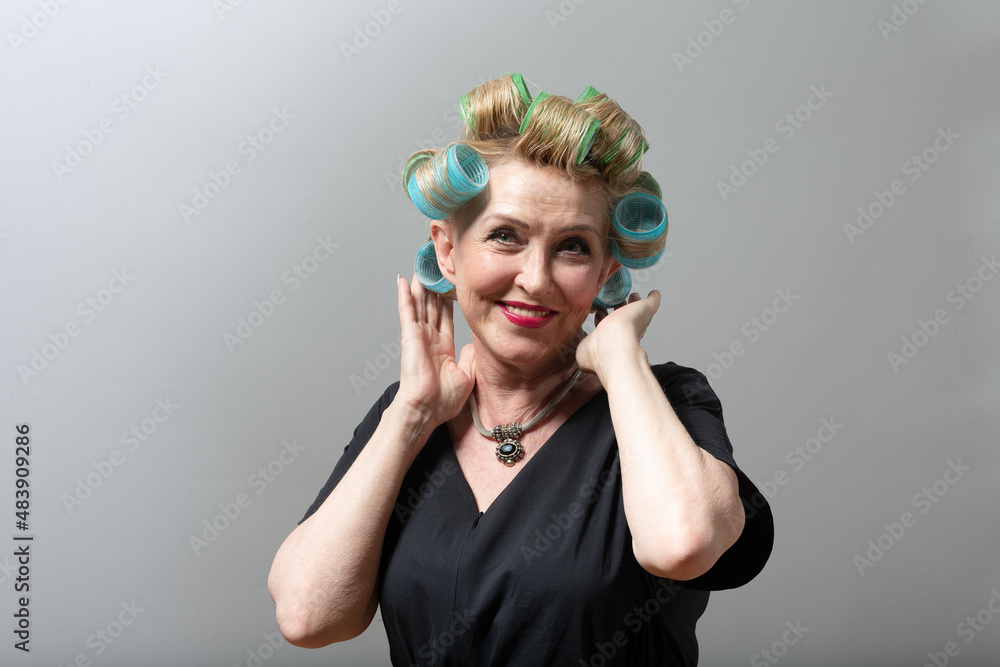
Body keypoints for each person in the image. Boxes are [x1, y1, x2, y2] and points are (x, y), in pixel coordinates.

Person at [267, 73, 773, 666]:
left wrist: (620, 360)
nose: (535, 278)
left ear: (609, 271)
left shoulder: (667, 402)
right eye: (505, 236)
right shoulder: (409, 417)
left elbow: (682, 545)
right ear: (449, 251)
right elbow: (308, 617)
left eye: (573, 247)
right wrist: (411, 416)